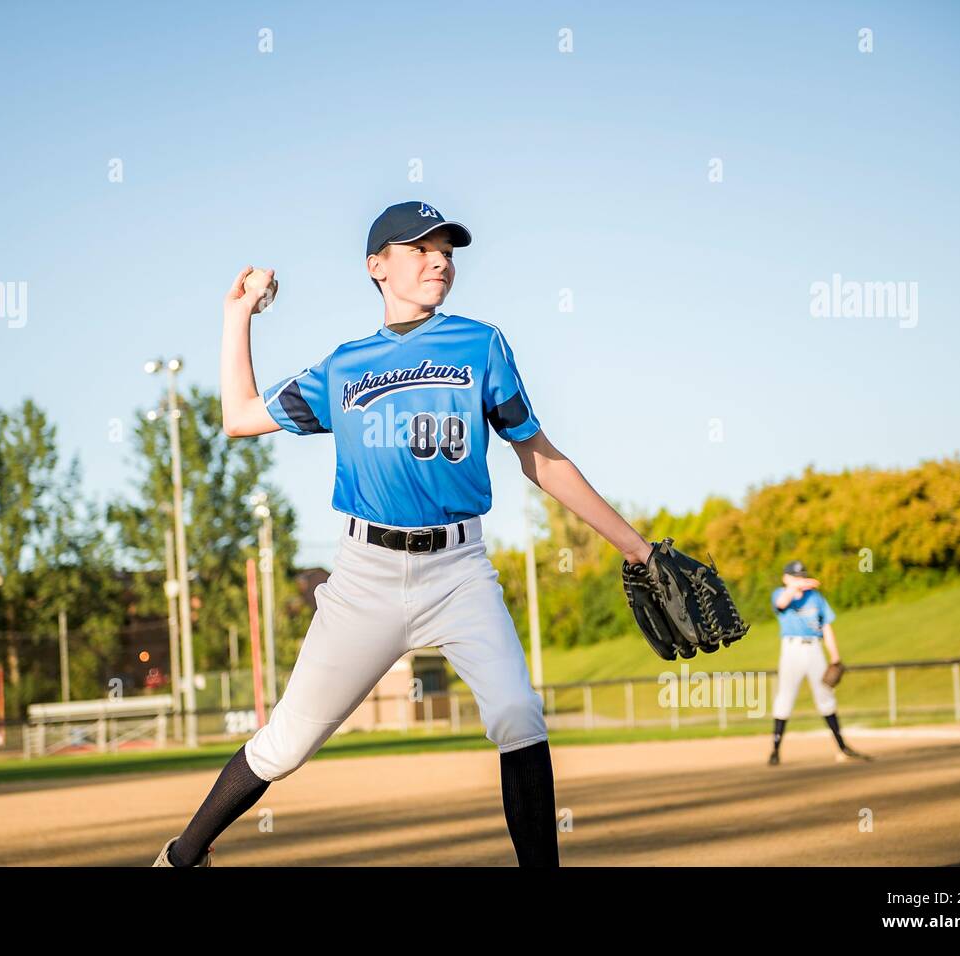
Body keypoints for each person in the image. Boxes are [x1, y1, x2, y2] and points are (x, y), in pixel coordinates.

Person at [152, 200, 653, 867]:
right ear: (376, 266)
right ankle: (181, 858)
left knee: (518, 715)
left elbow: (538, 455)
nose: (438, 258)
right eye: (419, 248)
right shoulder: (345, 366)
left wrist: (636, 546)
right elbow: (239, 416)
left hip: (459, 569)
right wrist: (237, 315)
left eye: (445, 248)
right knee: (285, 745)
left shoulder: (481, 345)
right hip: (364, 576)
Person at [767, 559, 873, 766]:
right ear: (786, 578)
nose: (800, 579)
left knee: (826, 696)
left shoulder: (815, 597)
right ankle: (775, 750)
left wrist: (835, 657)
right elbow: (781, 604)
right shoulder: (780, 594)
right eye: (795, 576)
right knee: (785, 698)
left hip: (814, 649)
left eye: (802, 576)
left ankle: (842, 747)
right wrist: (796, 586)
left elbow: (826, 628)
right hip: (791, 649)